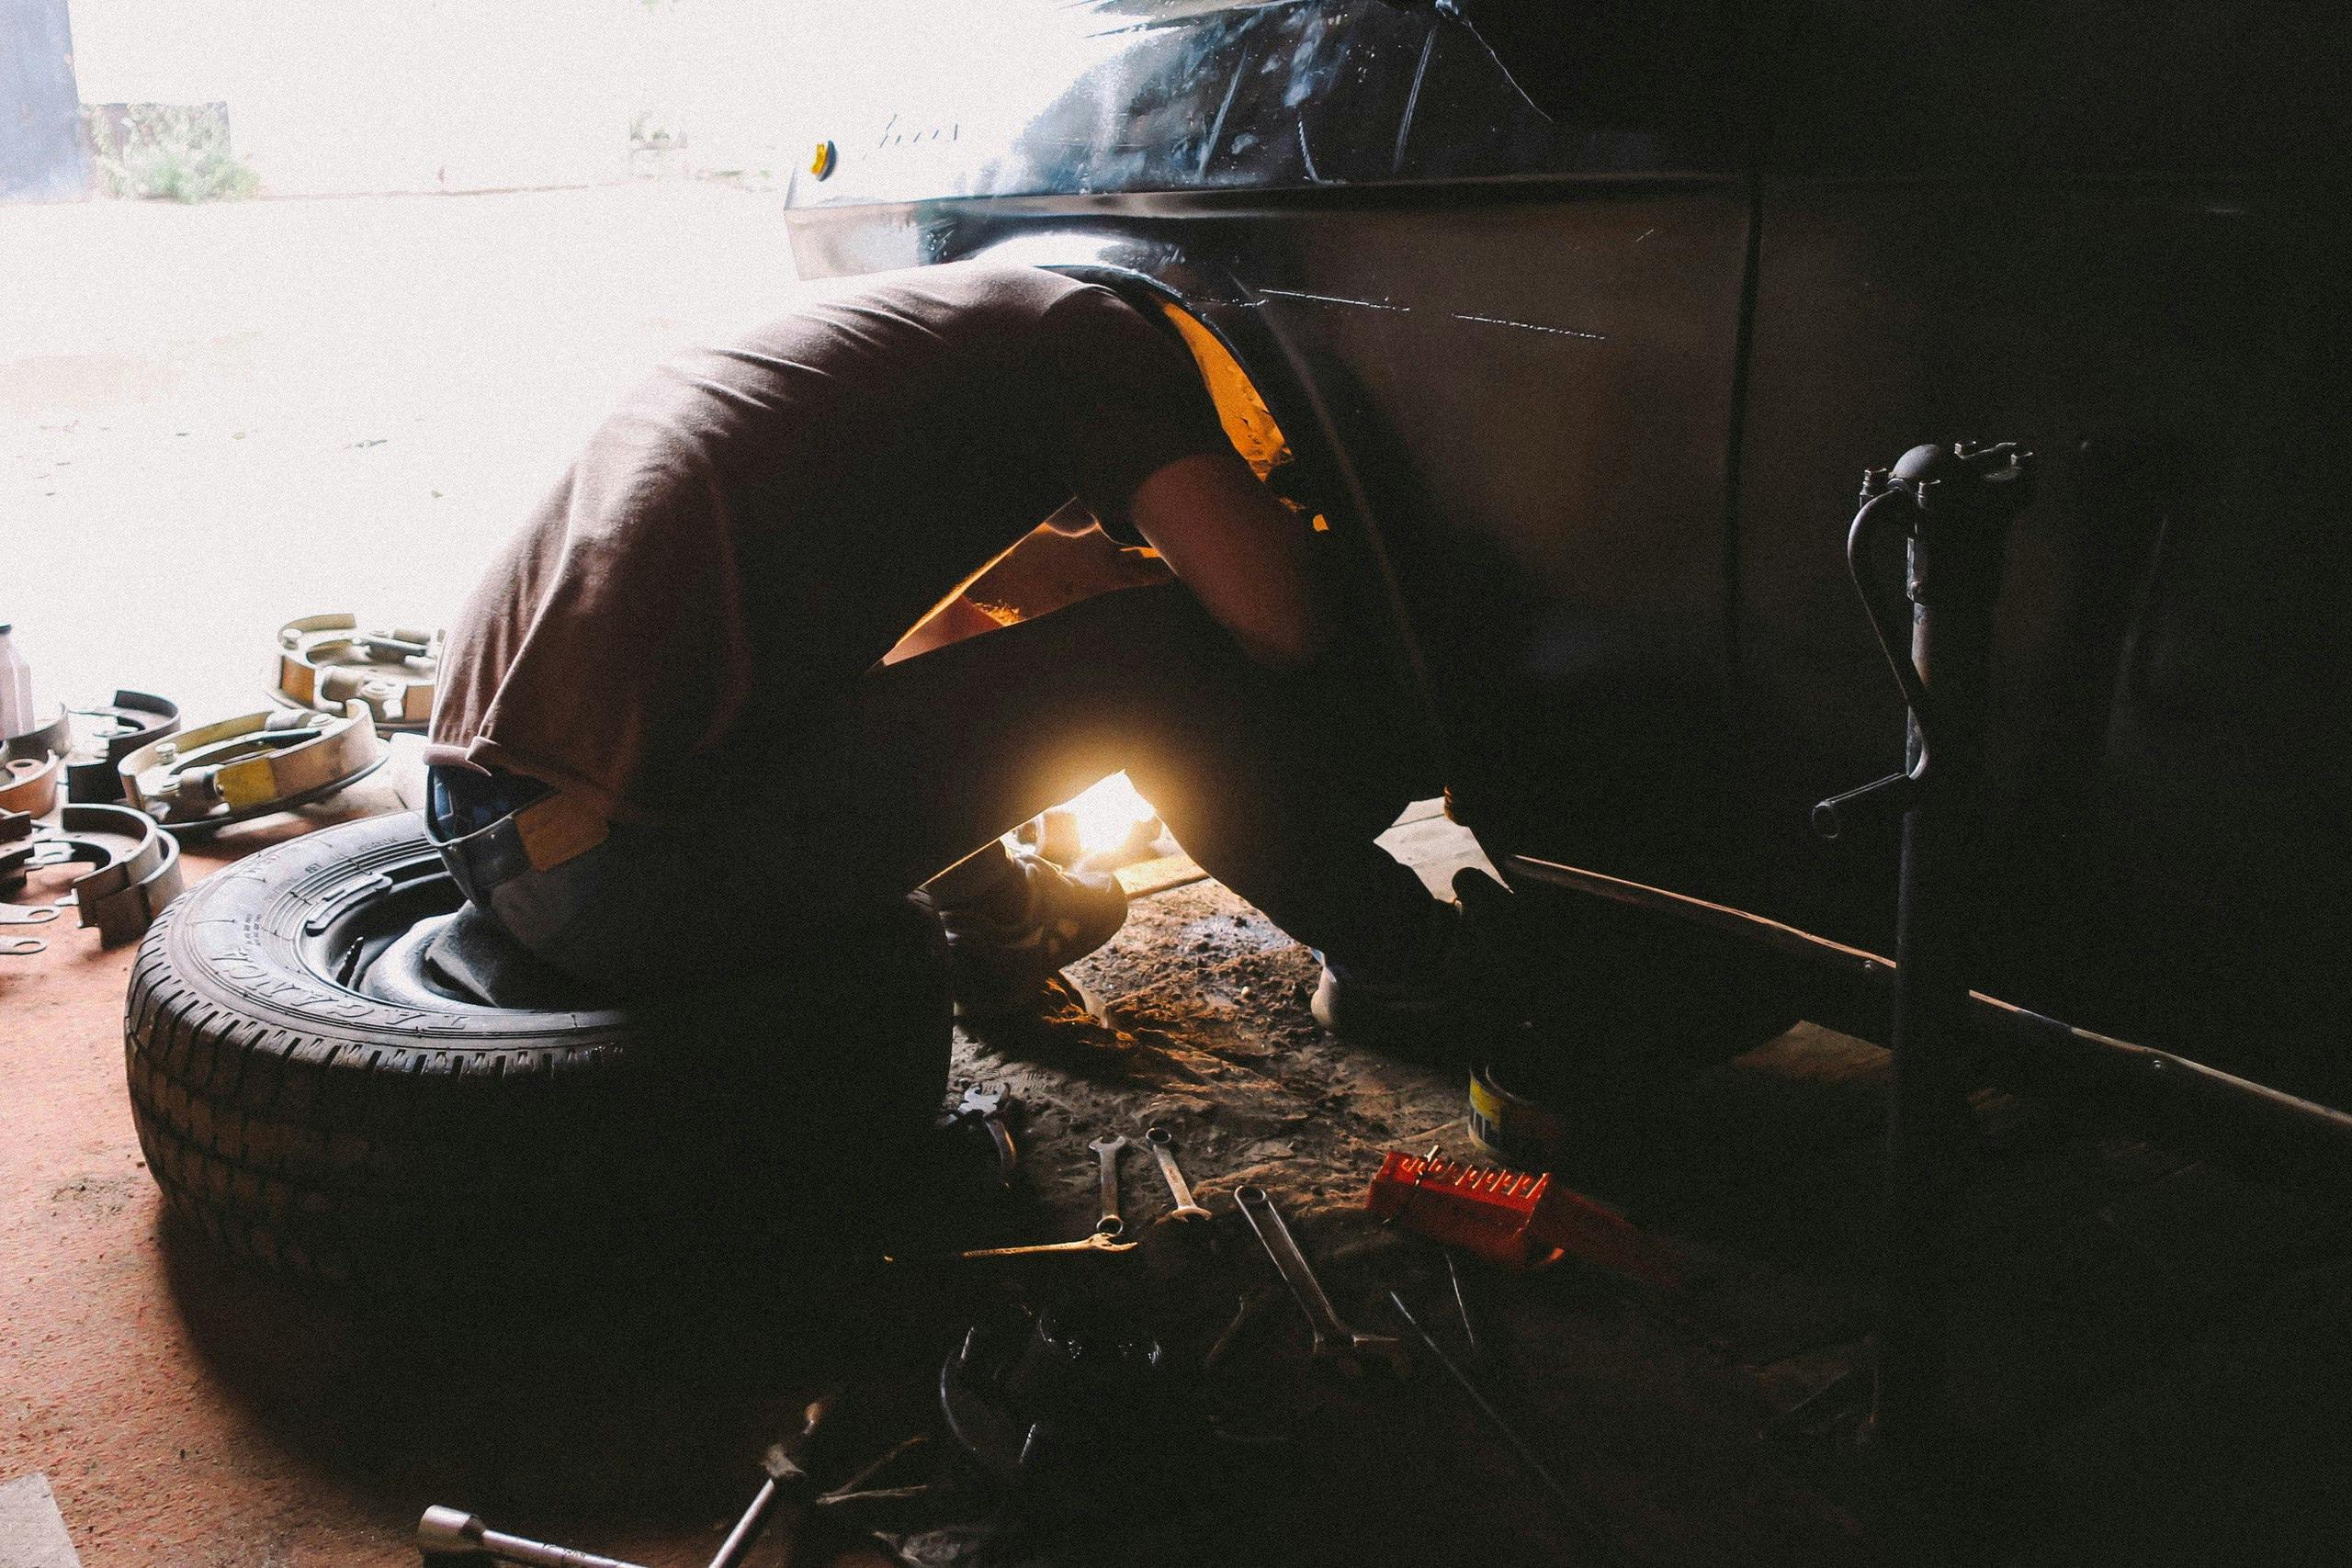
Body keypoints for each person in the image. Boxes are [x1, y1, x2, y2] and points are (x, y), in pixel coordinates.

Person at [423, 262, 1463, 1039]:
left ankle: (1004, 931)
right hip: (630, 883)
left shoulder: (915, 341)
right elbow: (1280, 620)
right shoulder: (1093, 338)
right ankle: (1401, 968)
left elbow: (933, 658)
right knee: (1157, 657)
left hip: (497, 837)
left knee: (1019, 665)